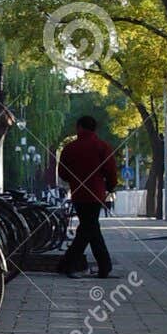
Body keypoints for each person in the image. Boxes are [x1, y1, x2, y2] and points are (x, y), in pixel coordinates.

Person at [56, 115, 118, 278]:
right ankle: (102, 266)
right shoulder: (103, 147)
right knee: (90, 228)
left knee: (87, 228)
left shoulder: (70, 148)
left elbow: (62, 173)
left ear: (80, 127)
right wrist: (110, 186)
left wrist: (74, 179)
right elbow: (111, 170)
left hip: (79, 193)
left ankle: (68, 264)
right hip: (96, 193)